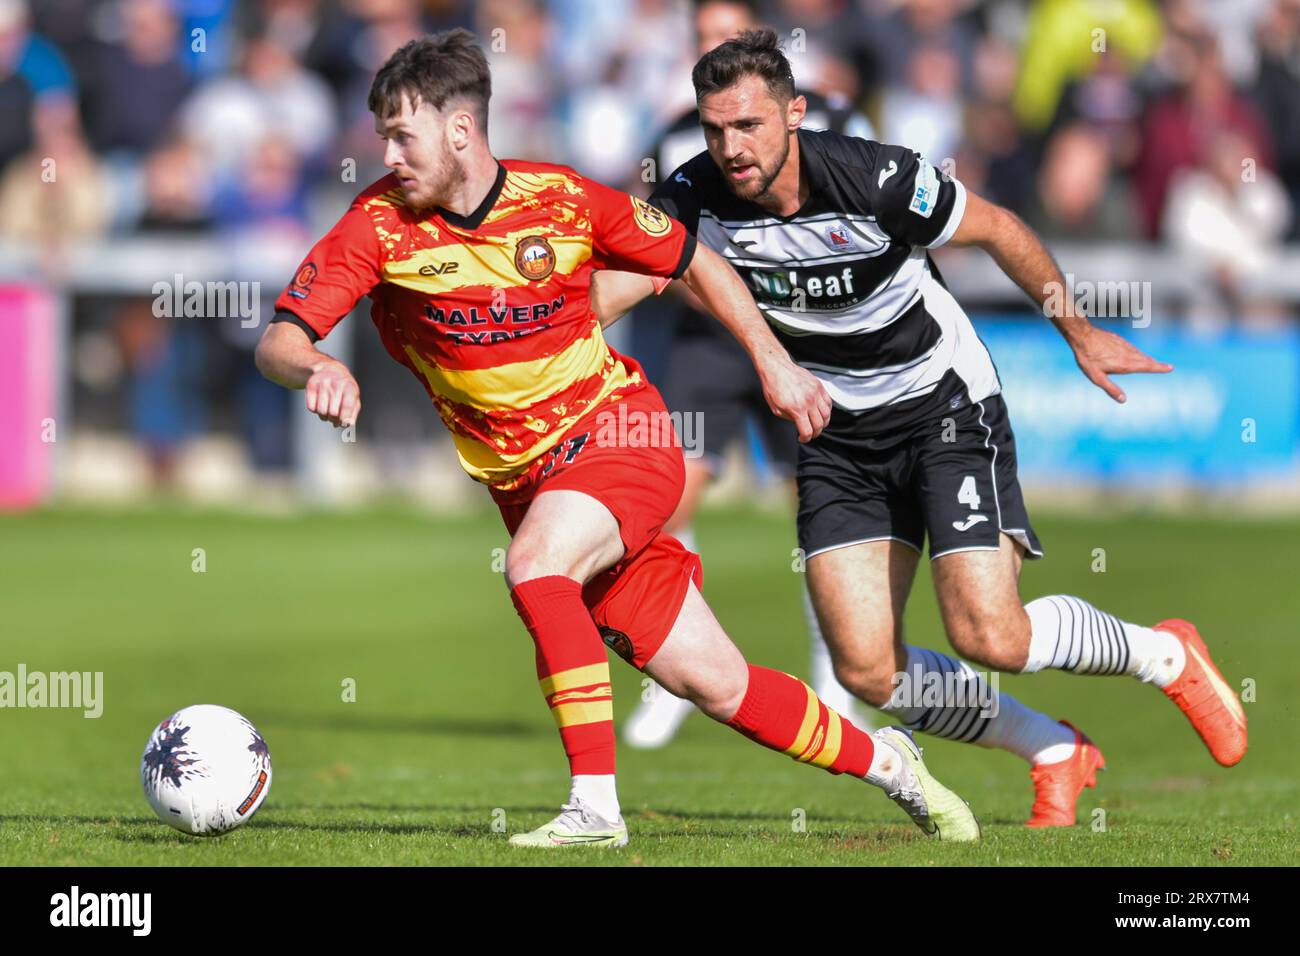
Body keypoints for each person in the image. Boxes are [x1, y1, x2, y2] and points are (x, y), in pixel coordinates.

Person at [255, 29, 980, 847]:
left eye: (401, 133)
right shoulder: (375, 225)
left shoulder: (563, 200)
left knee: (535, 566)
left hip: (619, 435)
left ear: (460, 131)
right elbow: (278, 338)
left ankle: (595, 810)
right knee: (720, 686)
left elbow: (694, 261)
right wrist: (315, 364)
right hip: (527, 483)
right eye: (384, 135)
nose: (388, 151)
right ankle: (892, 765)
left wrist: (774, 362)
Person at [593, 29, 1247, 827]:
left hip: (943, 407)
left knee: (991, 635)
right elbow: (625, 280)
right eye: (716, 128)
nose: (733, 148)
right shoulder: (692, 194)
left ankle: (1165, 655)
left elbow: (1002, 229)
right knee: (866, 671)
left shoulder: (877, 177)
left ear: (794, 114)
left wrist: (1079, 332)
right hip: (837, 435)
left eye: (751, 125)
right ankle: (1051, 747)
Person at [621, 0, 877, 751]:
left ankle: (837, 678)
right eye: (701, 39)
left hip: (804, 338)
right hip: (707, 343)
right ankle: (677, 674)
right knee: (666, 501)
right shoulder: (674, 134)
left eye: (725, 36)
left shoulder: (833, 119)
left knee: (825, 508)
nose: (711, 47)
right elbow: (653, 246)